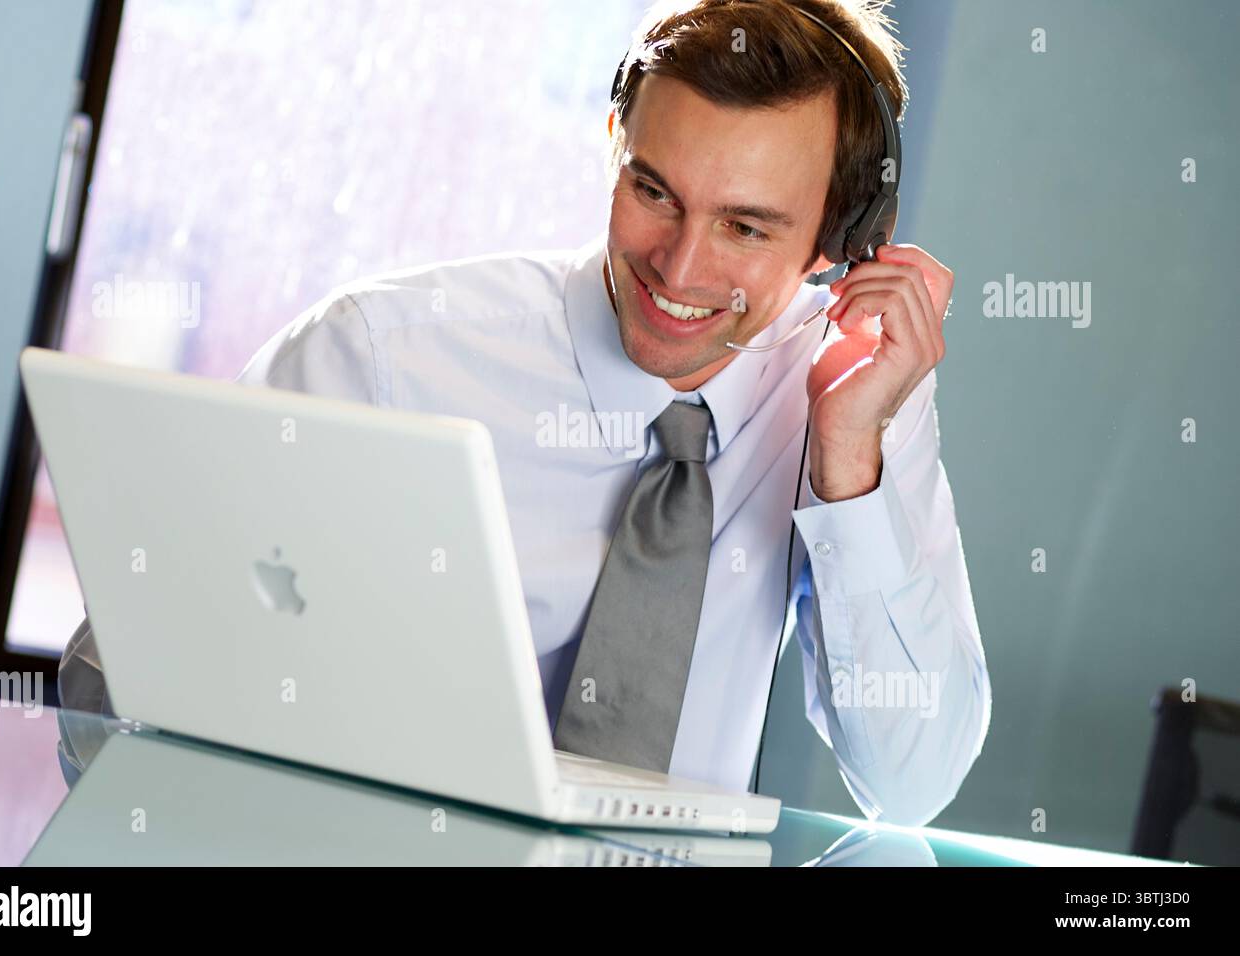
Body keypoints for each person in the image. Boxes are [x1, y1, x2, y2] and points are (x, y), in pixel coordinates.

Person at [59, 0, 990, 827]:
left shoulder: (852, 397)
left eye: (745, 227)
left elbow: (912, 786)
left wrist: (848, 462)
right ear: (615, 147)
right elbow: (112, 683)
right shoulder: (384, 356)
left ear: (841, 239)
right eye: (652, 191)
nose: (680, 268)